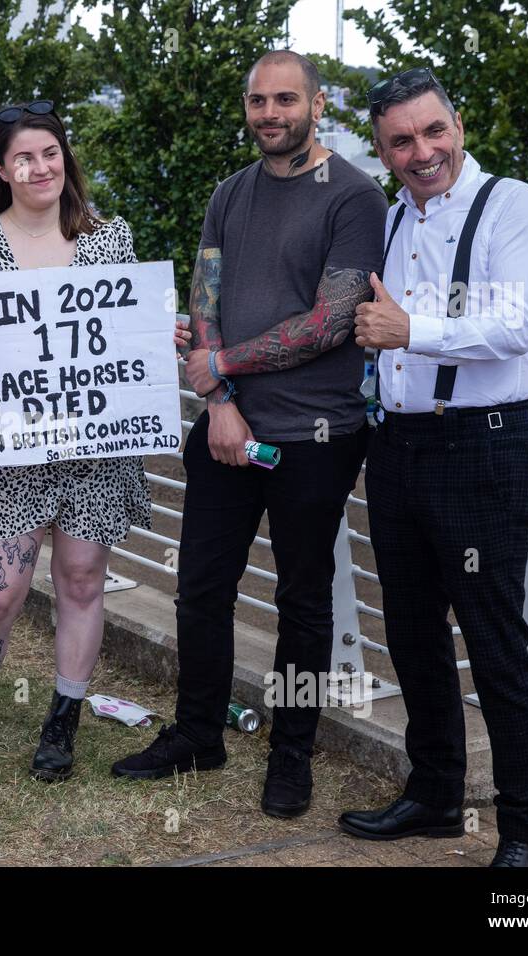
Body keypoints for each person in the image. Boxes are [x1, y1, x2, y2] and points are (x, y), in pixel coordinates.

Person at [111, 51, 386, 819]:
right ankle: (199, 733)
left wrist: (220, 361)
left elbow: (333, 321)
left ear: (317, 104)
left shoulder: (356, 198)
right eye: (258, 101)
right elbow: (207, 295)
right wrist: (220, 397)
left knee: (302, 601)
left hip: (317, 437)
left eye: (286, 100)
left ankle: (291, 752)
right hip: (226, 426)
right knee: (199, 586)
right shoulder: (230, 193)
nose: (270, 113)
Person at [0, 100, 191, 782]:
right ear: (1, 168)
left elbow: (132, 332)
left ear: (65, 161)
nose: (39, 166)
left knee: (82, 581)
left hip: (96, 453)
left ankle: (62, 722)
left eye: (50, 153)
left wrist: (155, 334)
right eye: (23, 156)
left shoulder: (110, 240)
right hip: (16, 453)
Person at [341, 68, 528, 868]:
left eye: (433, 131)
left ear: (456, 124)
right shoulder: (396, 218)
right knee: (412, 634)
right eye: (401, 139)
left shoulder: (514, 206)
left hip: (482, 449)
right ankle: (434, 794)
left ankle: (524, 832)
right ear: (382, 148)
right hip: (398, 451)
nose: (421, 151)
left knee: (496, 642)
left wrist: (411, 328)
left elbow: (514, 322)